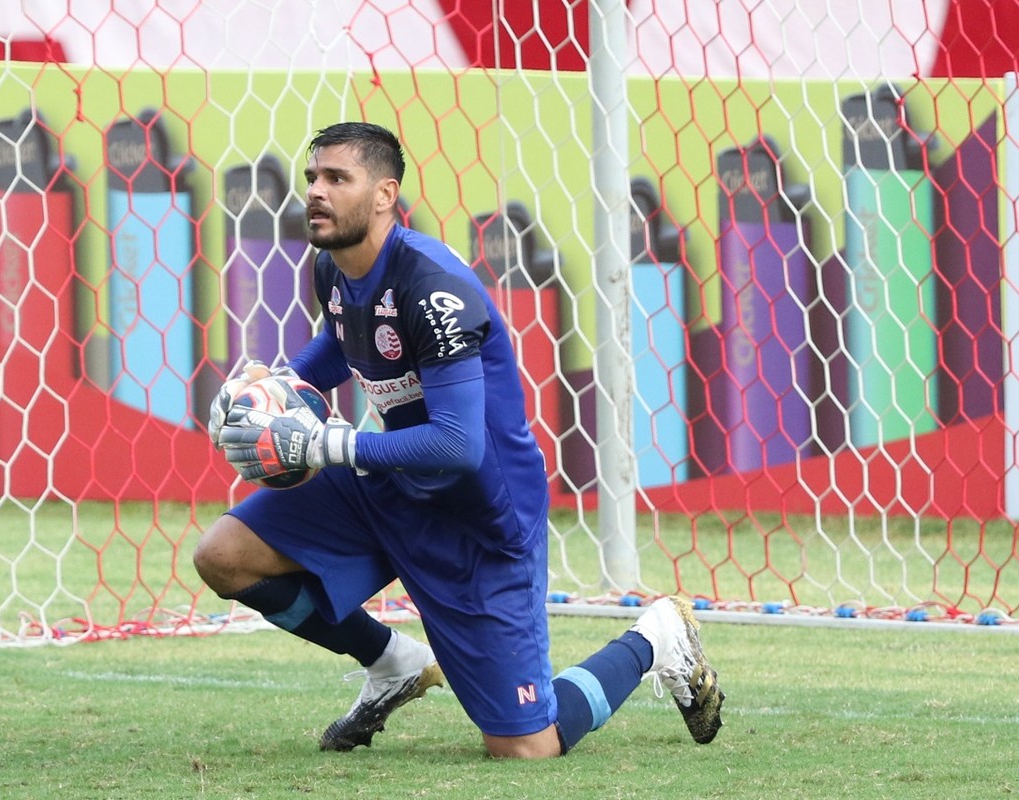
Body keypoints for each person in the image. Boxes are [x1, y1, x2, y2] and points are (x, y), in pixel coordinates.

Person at [193, 121, 724, 758]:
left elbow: (457, 445)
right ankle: (392, 663)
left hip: (479, 519)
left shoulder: (432, 285)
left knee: (526, 748)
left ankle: (656, 637)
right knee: (224, 555)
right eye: (312, 177)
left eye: (337, 178)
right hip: (391, 481)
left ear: (385, 194)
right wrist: (279, 387)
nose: (316, 191)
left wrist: (326, 444)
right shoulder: (331, 267)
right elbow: (342, 339)